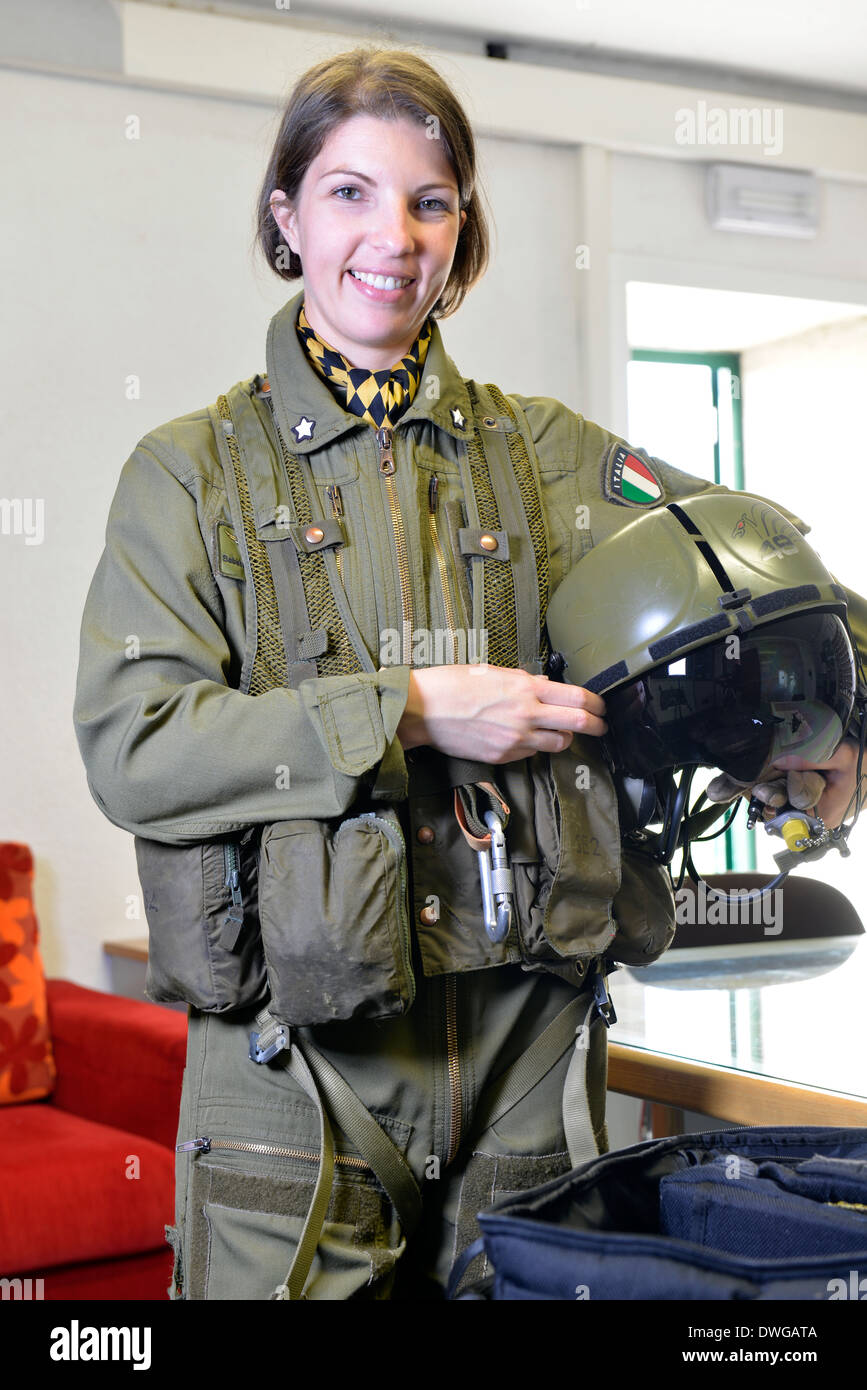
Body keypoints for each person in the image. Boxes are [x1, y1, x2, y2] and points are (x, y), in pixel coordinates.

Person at [73, 46, 862, 1301]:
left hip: (529, 1070)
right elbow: (136, 744)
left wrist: (843, 718)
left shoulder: (551, 458)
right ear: (285, 214)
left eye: (430, 201)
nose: (394, 236)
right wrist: (415, 710)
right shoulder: (186, 478)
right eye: (349, 193)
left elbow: (768, 578)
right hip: (298, 1080)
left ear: (461, 227)